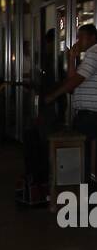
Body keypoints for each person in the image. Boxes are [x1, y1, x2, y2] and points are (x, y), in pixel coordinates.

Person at [45, 23, 97, 155]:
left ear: (93, 38)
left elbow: (75, 81)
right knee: (83, 153)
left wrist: (53, 95)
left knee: (82, 154)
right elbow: (71, 82)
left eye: (81, 37)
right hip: (86, 113)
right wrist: (72, 58)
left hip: (90, 115)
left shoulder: (94, 53)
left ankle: (85, 176)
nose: (78, 41)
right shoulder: (88, 55)